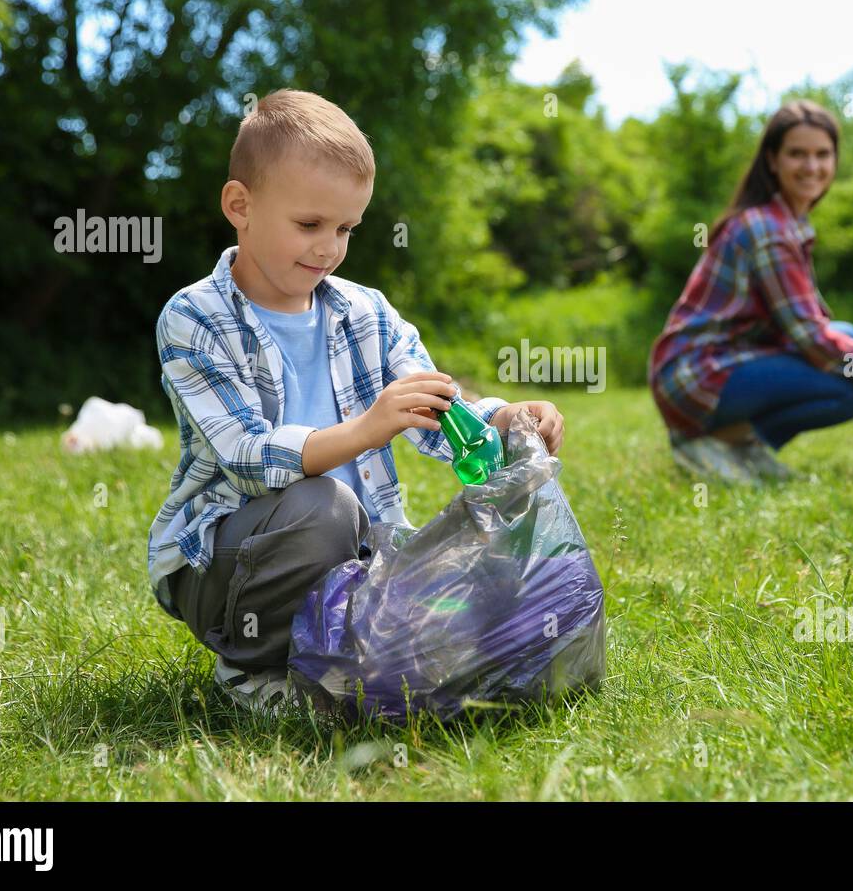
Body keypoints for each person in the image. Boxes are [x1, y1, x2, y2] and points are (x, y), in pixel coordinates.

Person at [147, 89, 565, 713]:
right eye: (309, 225)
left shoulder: (363, 311)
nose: (329, 248)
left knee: (466, 594)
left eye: (346, 228)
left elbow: (431, 411)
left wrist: (504, 419)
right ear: (241, 205)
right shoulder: (195, 318)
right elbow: (247, 455)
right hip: (224, 566)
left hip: (360, 553)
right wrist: (368, 427)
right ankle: (252, 668)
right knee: (323, 508)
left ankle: (341, 657)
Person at [648, 100, 853, 482]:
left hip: (718, 365)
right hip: (696, 375)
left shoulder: (787, 223)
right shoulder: (769, 231)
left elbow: (812, 326)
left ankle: (738, 446)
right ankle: (709, 443)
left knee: (848, 338)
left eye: (822, 154)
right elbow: (812, 340)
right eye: (797, 154)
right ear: (772, 160)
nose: (812, 166)